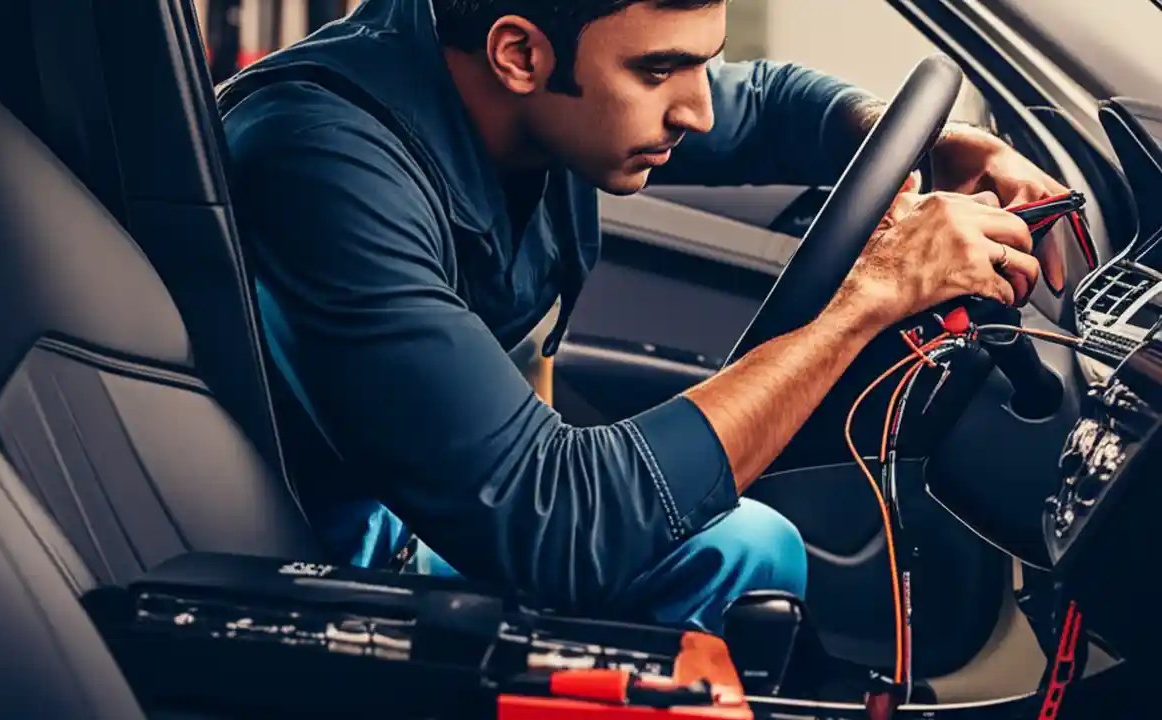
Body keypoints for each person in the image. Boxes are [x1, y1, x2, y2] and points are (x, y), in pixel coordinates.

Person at [219, 0, 1059, 632]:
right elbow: (554, 520)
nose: (695, 110)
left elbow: (761, 105)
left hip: (433, 509)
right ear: (519, 53)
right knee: (743, 546)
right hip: (329, 565)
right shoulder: (322, 165)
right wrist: (865, 303)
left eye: (700, 65)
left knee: (749, 546)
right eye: (658, 73)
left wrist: (931, 139)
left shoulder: (542, 90)